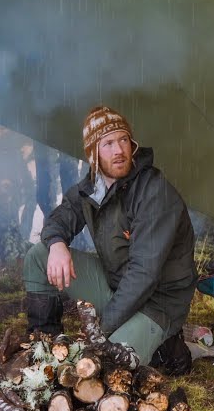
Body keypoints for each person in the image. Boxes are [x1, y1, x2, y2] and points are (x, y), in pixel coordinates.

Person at [23, 105, 197, 373]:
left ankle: (168, 348)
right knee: (38, 256)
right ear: (93, 153)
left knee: (103, 365)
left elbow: (144, 274)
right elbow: (60, 218)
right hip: (116, 285)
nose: (119, 150)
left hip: (157, 302)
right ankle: (44, 350)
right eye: (108, 144)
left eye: (124, 140)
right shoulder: (94, 186)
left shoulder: (154, 193)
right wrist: (57, 244)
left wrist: (99, 332)